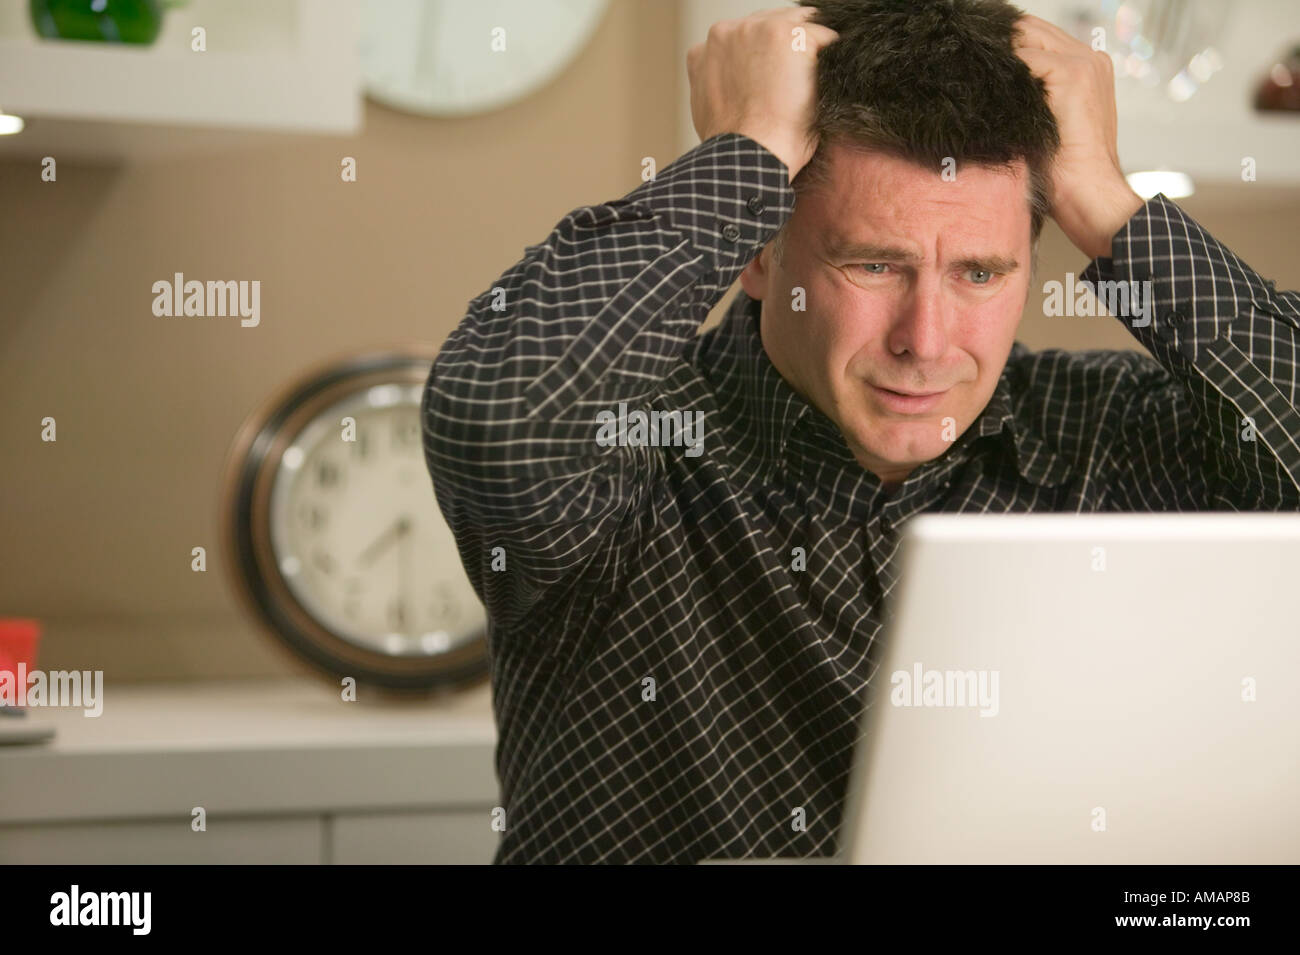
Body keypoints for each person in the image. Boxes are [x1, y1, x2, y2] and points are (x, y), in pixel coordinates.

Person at [421, 0, 1300, 863]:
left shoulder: (1112, 437)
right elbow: (502, 423)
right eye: (874, 264)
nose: (926, 340)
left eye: (981, 272)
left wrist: (1110, 202)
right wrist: (748, 153)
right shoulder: (634, 450)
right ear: (759, 251)